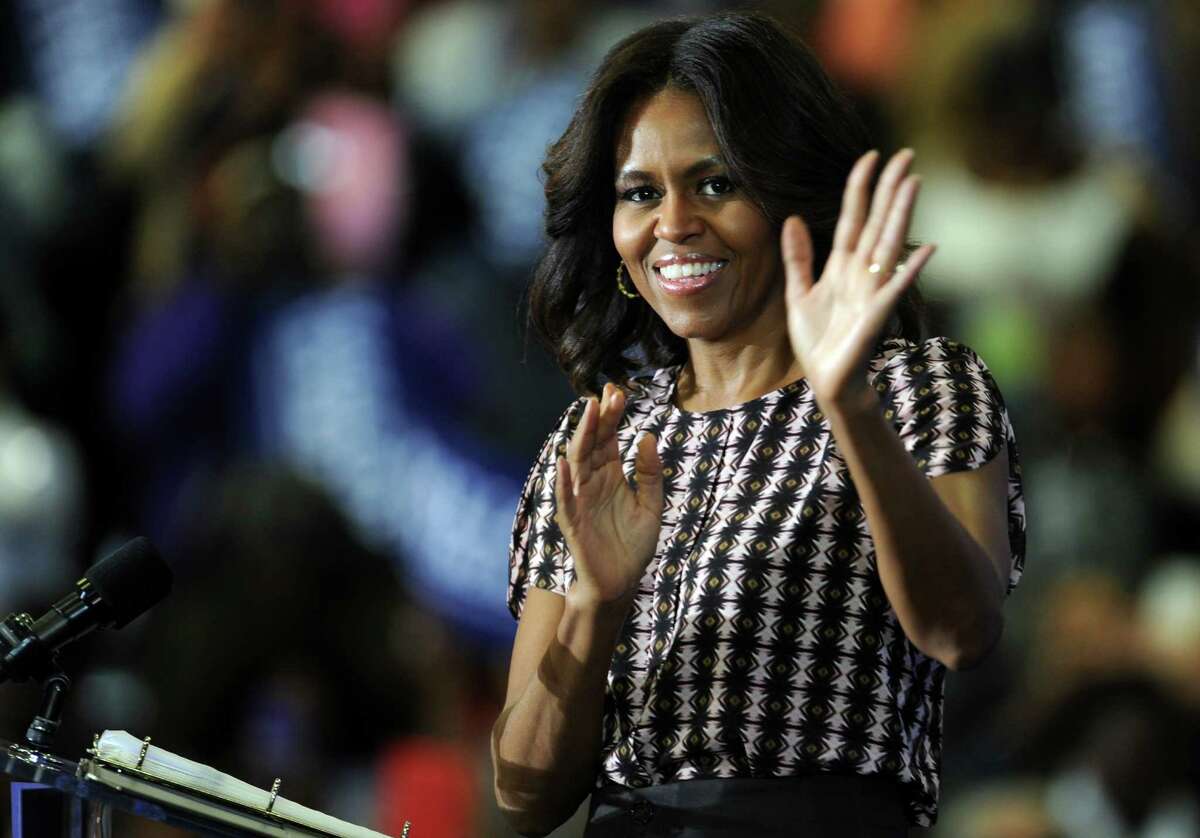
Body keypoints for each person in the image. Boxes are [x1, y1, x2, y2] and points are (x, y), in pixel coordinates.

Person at [492, 11, 1025, 837]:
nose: (672, 225)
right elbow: (522, 796)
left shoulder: (917, 386)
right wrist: (598, 599)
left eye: (715, 184)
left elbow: (961, 631)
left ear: (790, 196)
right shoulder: (596, 441)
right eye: (641, 193)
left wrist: (848, 406)